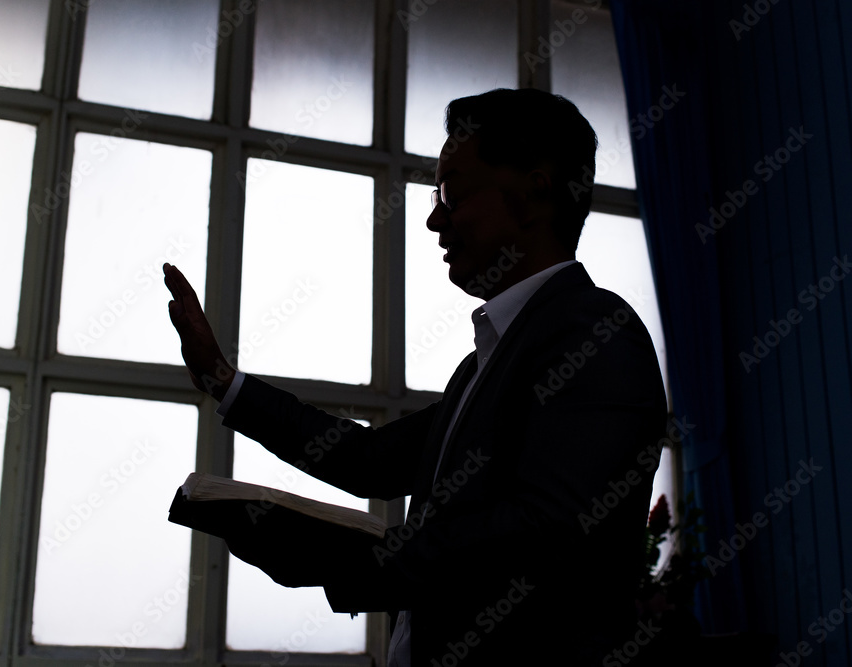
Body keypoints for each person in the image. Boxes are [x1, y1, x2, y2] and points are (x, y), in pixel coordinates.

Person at [163, 88, 668, 665]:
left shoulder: (598, 334)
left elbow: (542, 537)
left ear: (534, 193)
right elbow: (370, 459)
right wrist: (221, 380)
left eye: (450, 192)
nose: (433, 219)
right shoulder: (485, 365)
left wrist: (340, 558)